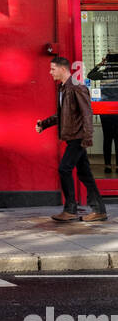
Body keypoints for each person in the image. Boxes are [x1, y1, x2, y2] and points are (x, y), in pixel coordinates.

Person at [36, 56, 108, 222]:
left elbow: (87, 113)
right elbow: (62, 114)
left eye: (53, 69)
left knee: (64, 169)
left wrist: (87, 138)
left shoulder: (77, 87)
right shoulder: (63, 88)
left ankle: (70, 209)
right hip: (73, 137)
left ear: (63, 69)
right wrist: (44, 124)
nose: (50, 72)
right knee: (85, 175)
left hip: (78, 137)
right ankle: (99, 210)